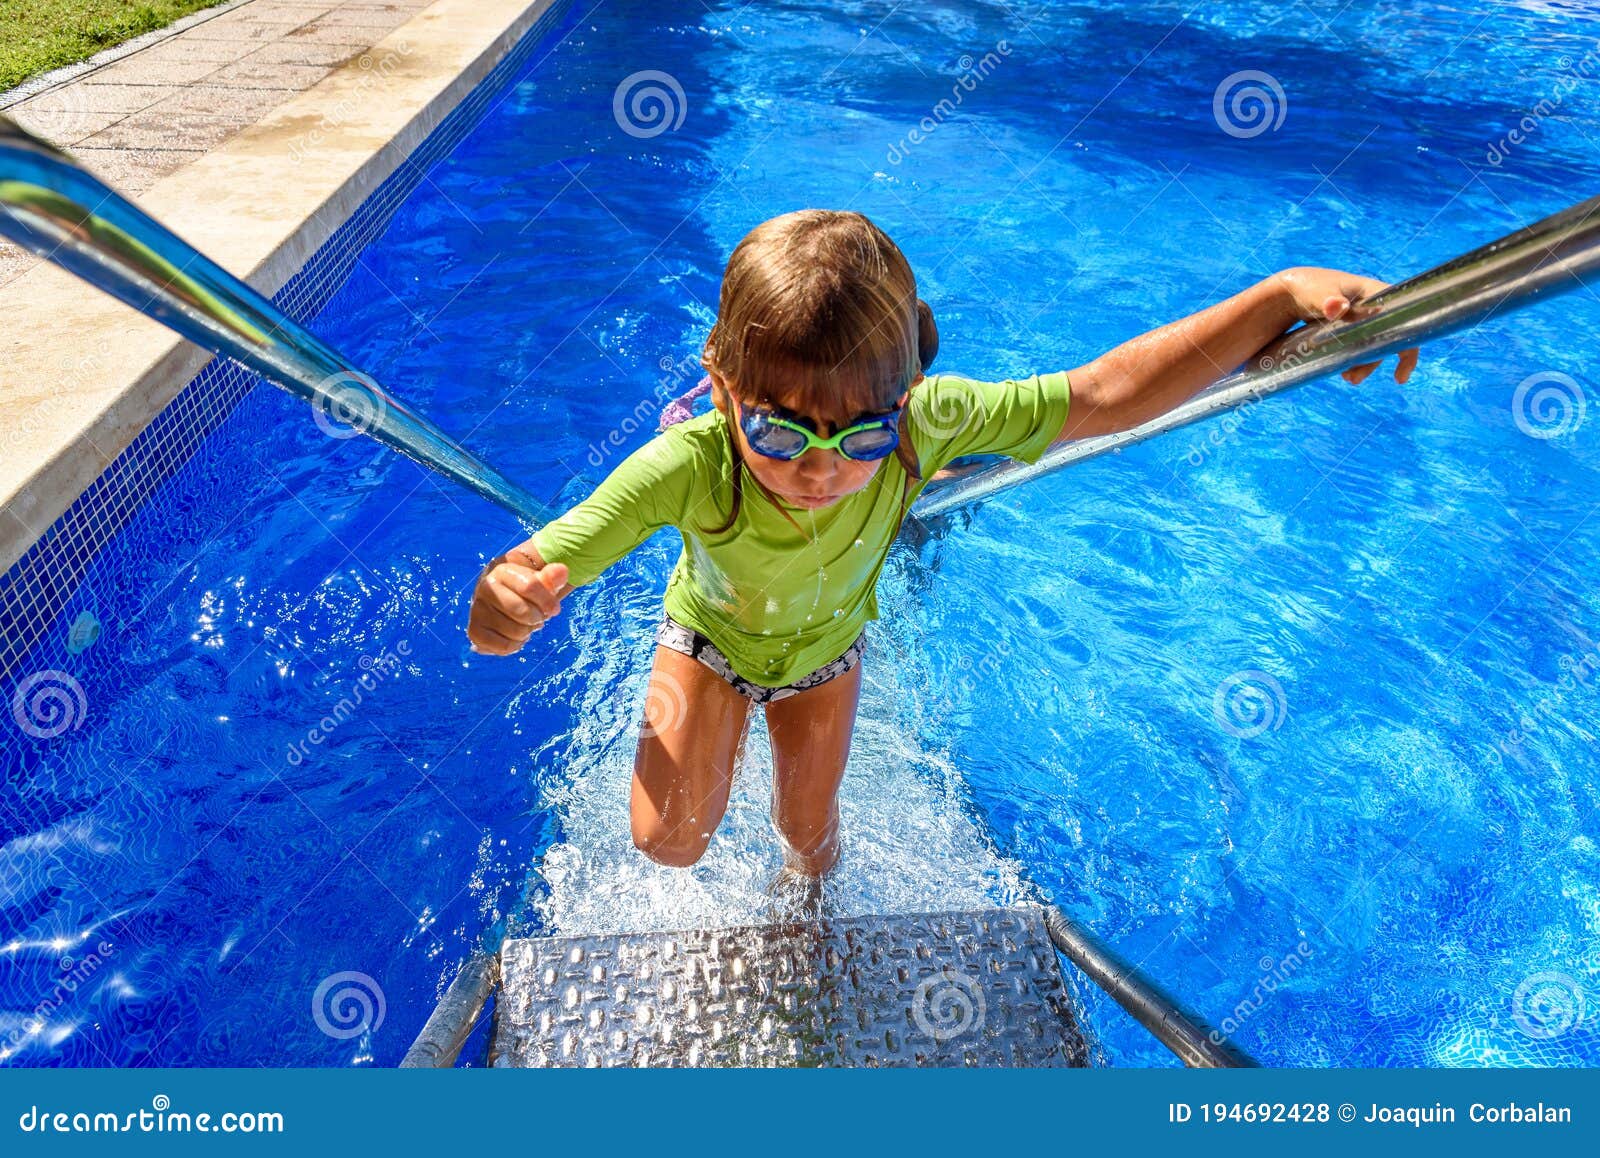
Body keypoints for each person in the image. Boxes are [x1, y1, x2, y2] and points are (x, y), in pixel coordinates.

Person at [465, 209, 1418, 908]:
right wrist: (501, 605)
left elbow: (1108, 394)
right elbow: (512, 590)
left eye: (861, 437)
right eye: (783, 434)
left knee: (808, 839)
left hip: (825, 659)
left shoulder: (931, 420)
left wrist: (1283, 294)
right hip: (709, 638)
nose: (822, 471)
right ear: (720, 388)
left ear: (907, 397)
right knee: (667, 843)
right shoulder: (688, 465)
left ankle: (801, 918)